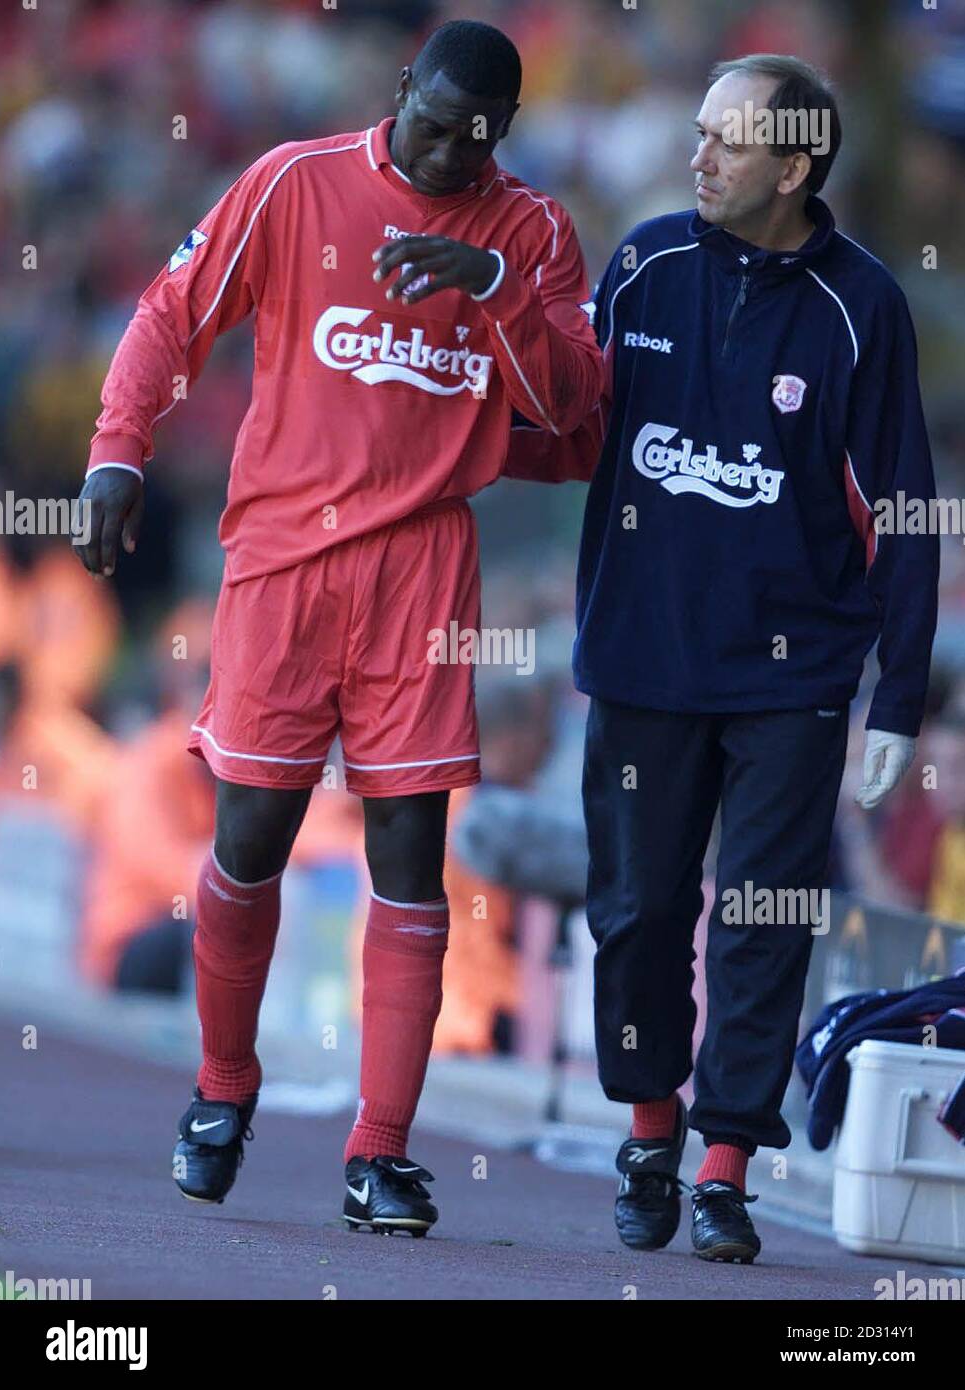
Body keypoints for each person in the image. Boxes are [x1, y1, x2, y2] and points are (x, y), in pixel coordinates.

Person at [75, 19, 602, 1236]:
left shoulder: (531, 235)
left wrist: (493, 290)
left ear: (501, 137)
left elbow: (579, 409)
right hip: (282, 563)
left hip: (422, 575)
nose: (439, 159)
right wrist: (117, 452)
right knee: (250, 836)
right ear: (397, 89)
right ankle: (220, 1091)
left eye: (468, 145)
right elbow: (171, 313)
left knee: (410, 859)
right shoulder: (293, 182)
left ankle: (380, 1151)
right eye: (425, 126)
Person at [507, 53, 940, 1262]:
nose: (697, 155)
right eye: (696, 132)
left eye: (727, 140)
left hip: (792, 679)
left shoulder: (864, 308)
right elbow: (568, 421)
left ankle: (724, 1163)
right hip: (641, 660)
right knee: (637, 913)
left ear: (795, 165)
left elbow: (901, 507)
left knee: (760, 919)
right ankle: (650, 1131)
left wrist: (895, 701)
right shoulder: (643, 263)